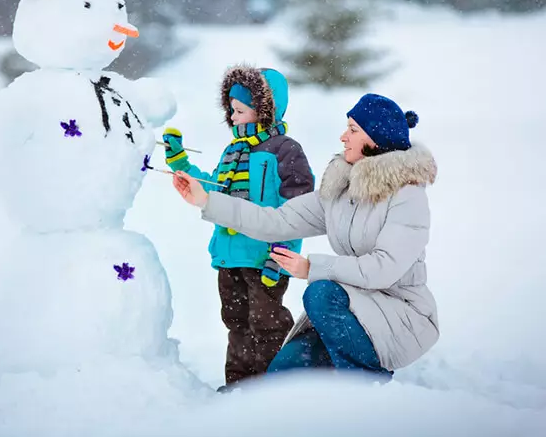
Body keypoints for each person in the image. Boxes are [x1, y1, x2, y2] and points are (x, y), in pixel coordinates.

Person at [171, 93, 438, 379]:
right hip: (352, 308)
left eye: (353, 130)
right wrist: (207, 201)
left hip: (399, 314)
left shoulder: (408, 197)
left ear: (375, 139)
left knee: (320, 292)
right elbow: (276, 221)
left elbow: (383, 268)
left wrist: (311, 268)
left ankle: (366, 384)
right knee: (280, 378)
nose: (343, 137)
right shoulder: (341, 191)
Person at [161, 65, 315, 388]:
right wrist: (180, 165)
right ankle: (239, 385)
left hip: (264, 260)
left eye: (240, 110)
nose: (232, 118)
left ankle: (274, 386)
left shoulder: (285, 152)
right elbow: (213, 189)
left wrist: (281, 257)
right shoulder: (232, 151)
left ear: (263, 110)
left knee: (267, 323)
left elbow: (299, 211)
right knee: (236, 322)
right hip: (230, 258)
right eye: (231, 110)